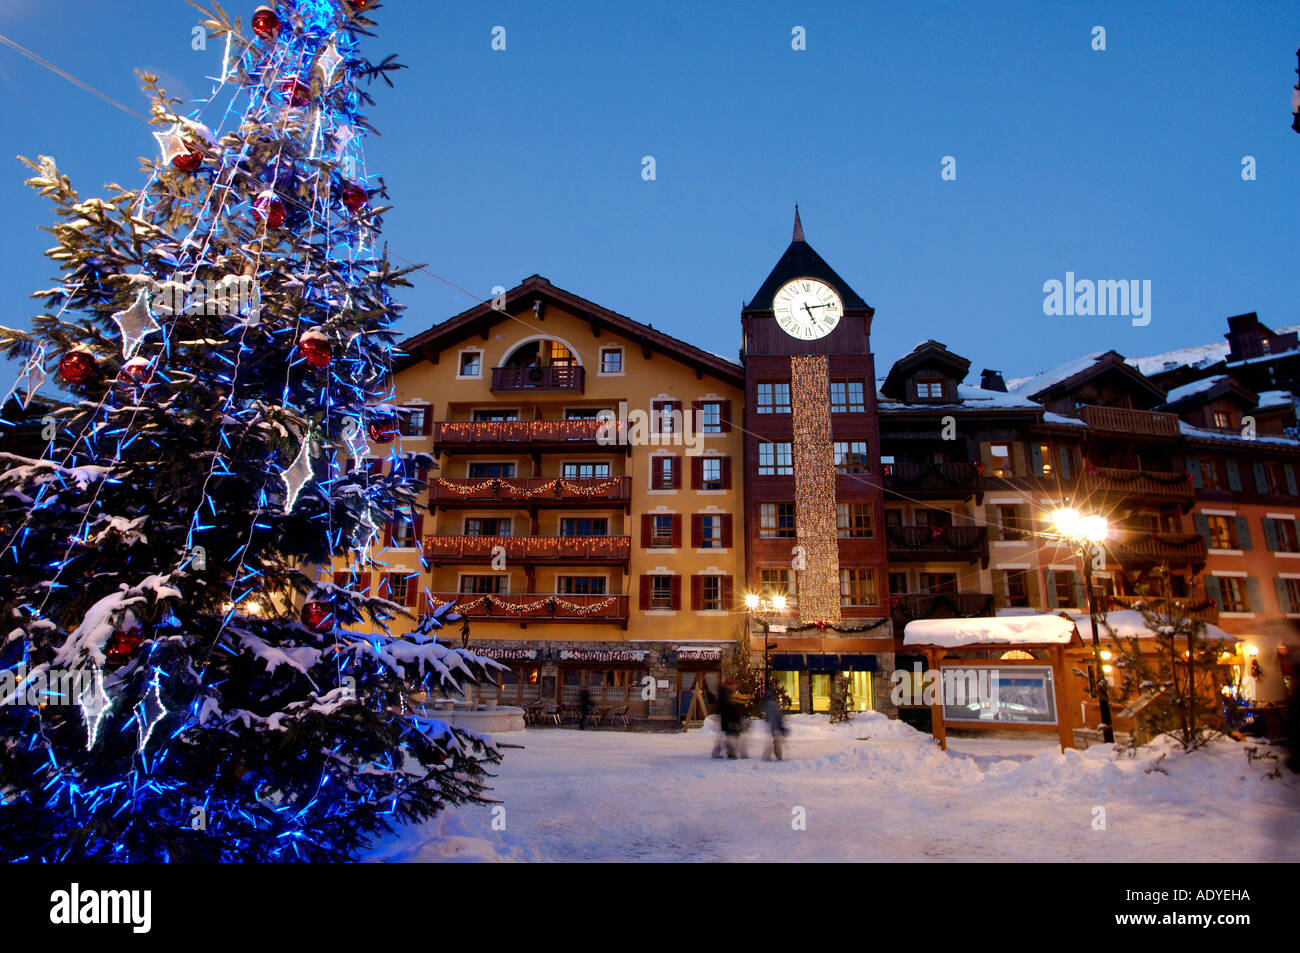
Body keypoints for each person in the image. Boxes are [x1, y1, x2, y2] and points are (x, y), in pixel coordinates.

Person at [712, 681, 735, 758]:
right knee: (727, 736)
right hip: (726, 718)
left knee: (725, 736)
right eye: (732, 685)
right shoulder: (725, 695)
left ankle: (728, 752)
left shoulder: (725, 694)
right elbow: (724, 707)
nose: (734, 687)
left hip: (726, 718)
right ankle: (729, 752)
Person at [763, 692, 787, 761]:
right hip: (776, 727)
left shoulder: (768, 706)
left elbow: (769, 718)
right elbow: (779, 716)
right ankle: (778, 757)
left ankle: (767, 756)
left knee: (772, 743)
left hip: (773, 727)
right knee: (776, 743)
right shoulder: (775, 705)